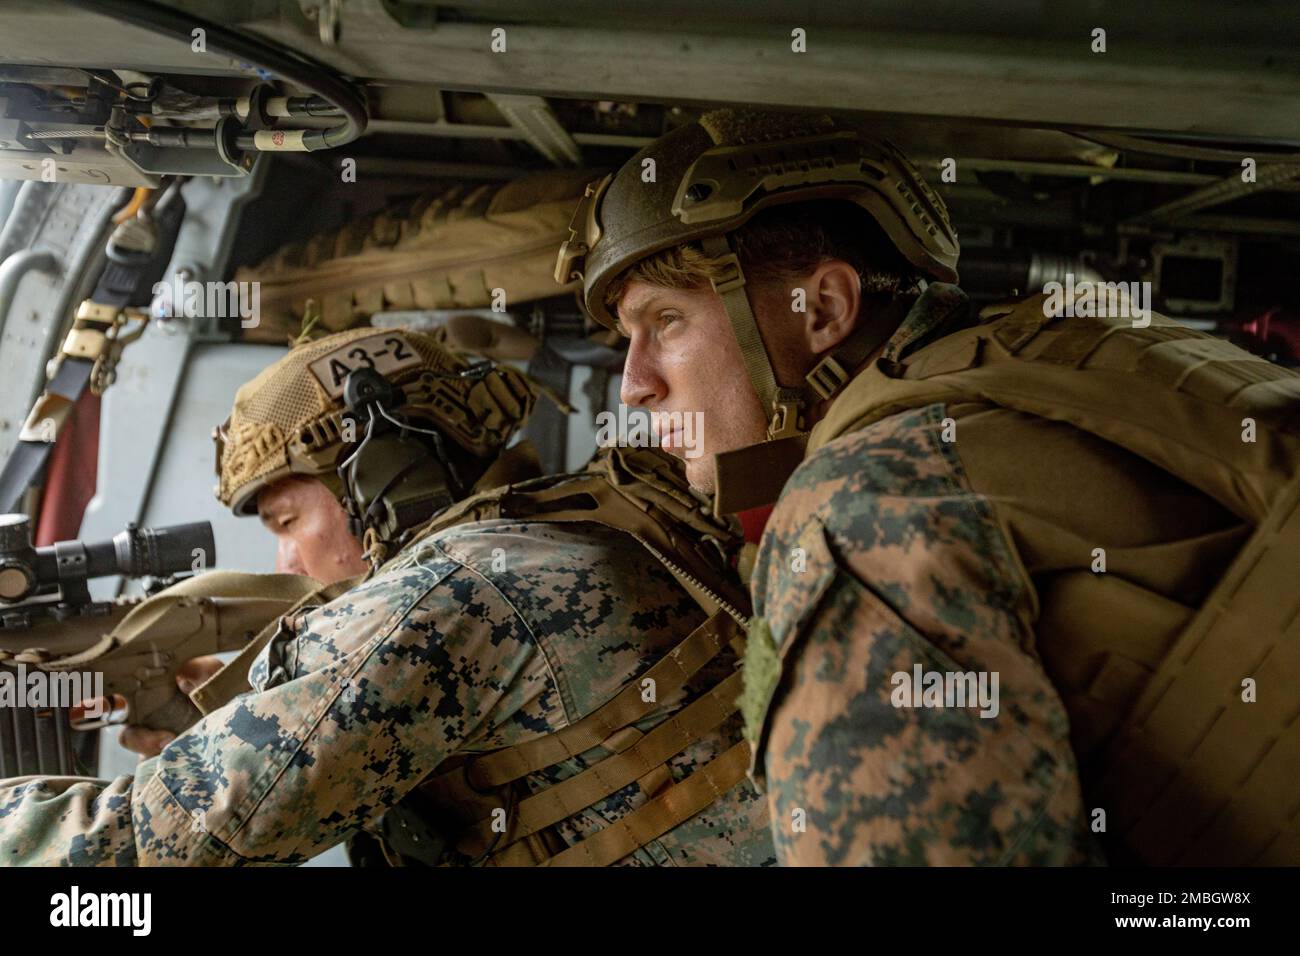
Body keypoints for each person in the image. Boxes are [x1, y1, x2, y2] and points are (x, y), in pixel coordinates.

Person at [555, 107, 1300, 866]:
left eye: (668, 321)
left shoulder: (857, 509)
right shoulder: (1073, 356)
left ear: (824, 310)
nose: (633, 386)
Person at [0, 326, 773, 866]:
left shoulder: (443, 596)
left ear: (382, 477)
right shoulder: (572, 525)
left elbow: (130, 853)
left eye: (287, 520)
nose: (284, 557)